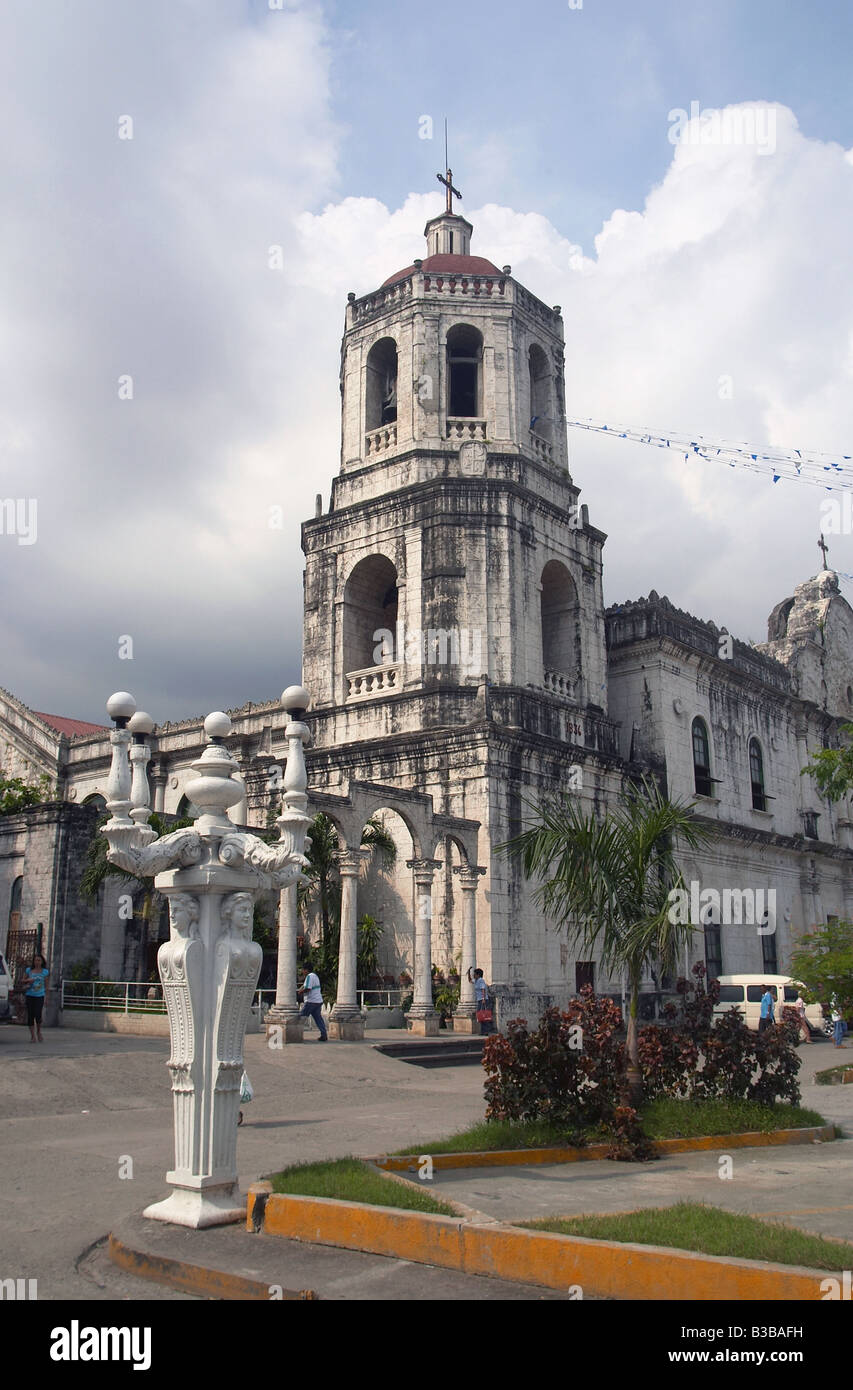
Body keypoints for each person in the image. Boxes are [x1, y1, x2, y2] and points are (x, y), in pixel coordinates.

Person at [24, 953, 49, 1043]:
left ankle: (38, 1031)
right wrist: (28, 981)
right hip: (30, 994)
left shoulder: (45, 972)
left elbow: (46, 985)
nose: (37, 962)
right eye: (35, 960)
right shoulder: (29, 971)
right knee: (30, 1015)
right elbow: (23, 980)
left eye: (39, 960)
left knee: (38, 1014)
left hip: (40, 995)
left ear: (42, 962)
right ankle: (32, 1036)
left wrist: (47, 998)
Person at [298, 969, 328, 1041]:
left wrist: (300, 992)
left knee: (301, 1017)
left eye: (303, 970)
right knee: (318, 1018)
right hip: (318, 1001)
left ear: (306, 970)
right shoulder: (315, 976)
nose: (302, 972)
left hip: (311, 1001)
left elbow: (308, 988)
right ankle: (324, 1035)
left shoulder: (309, 976)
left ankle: (295, 1033)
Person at [469, 967, 493, 1035]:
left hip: (483, 1000)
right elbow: (470, 980)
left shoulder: (481, 980)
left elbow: (483, 989)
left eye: (475, 974)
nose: (474, 975)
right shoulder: (476, 980)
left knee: (483, 1015)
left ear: (478, 975)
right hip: (479, 1000)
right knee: (480, 1015)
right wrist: (468, 972)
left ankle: (486, 1031)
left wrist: (483, 998)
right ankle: (483, 1031)